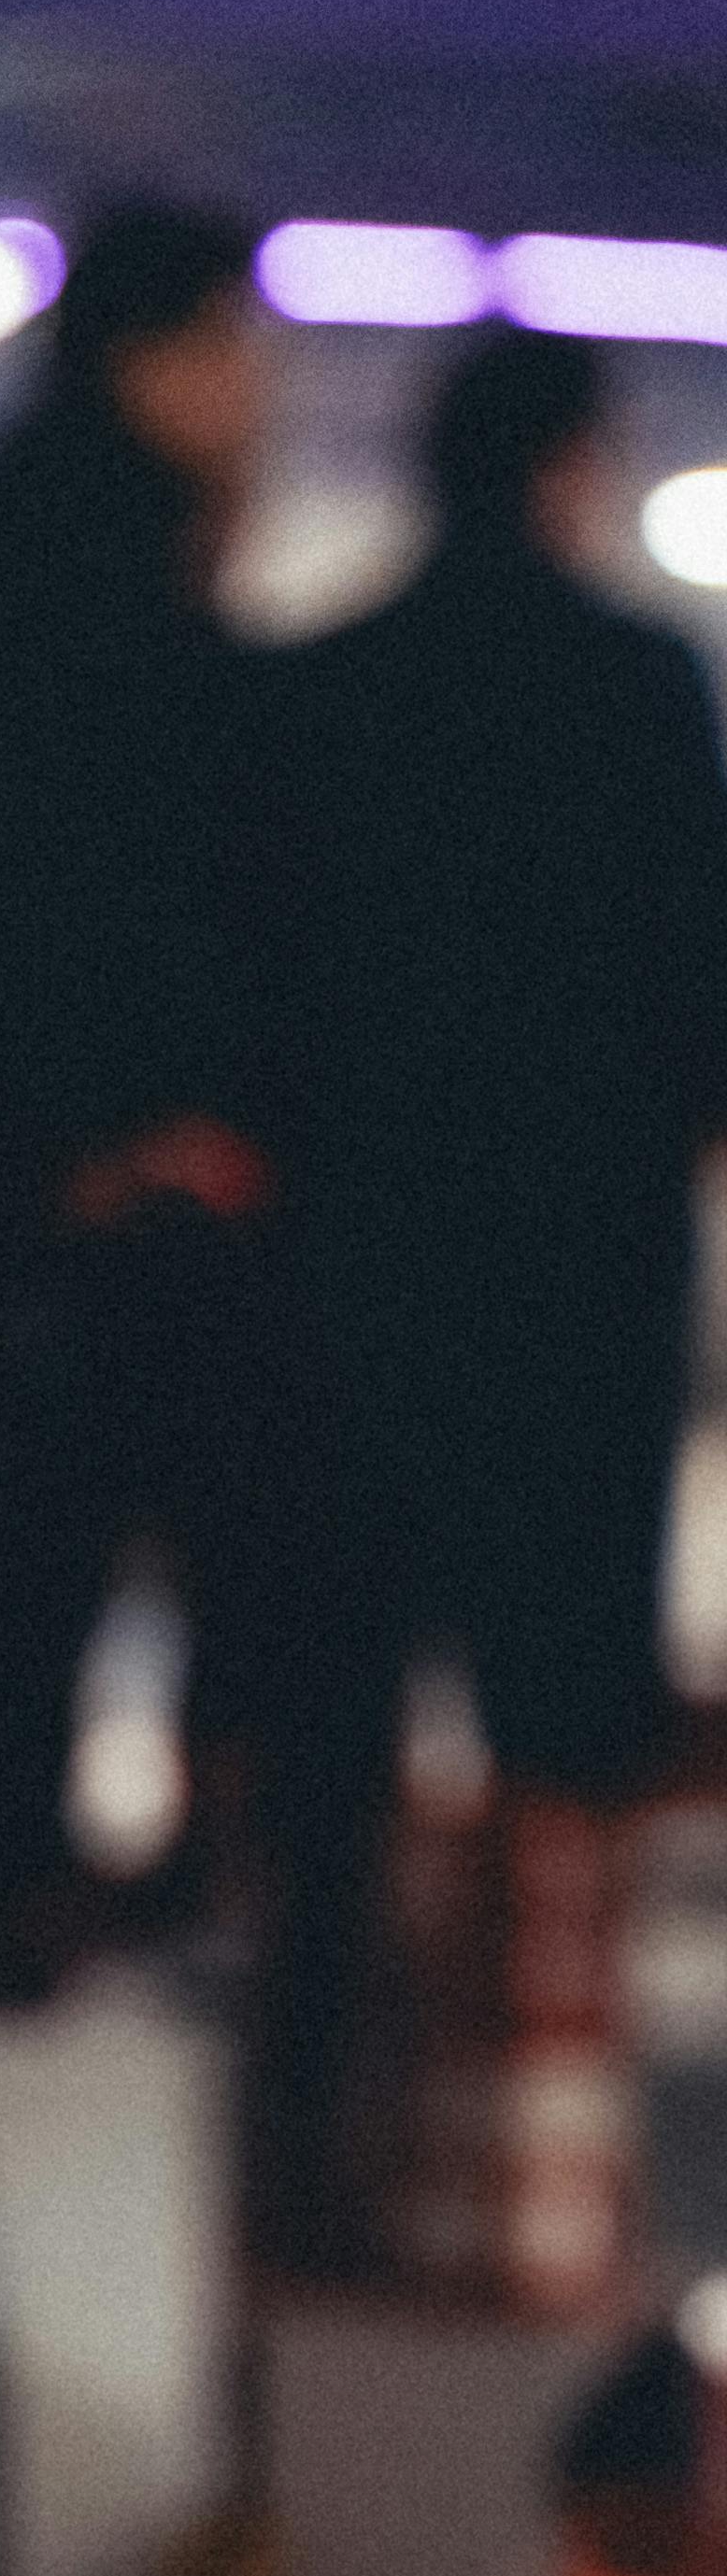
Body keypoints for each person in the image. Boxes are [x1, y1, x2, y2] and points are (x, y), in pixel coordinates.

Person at [0, 207, 391, 2196]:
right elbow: (130, 916)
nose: (257, 400)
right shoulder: (138, 632)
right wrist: (147, 1134)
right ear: (153, 366)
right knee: (240, 1633)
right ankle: (230, 2111)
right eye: (234, 355)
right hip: (108, 1222)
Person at [273, 326, 727, 1838]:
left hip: (362, 1236)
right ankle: (545, 2025)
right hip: (583, 1246)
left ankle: (333, 2020)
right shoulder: (639, 683)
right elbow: (694, 951)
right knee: (570, 1663)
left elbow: (276, 974)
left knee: (346, 1648)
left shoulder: (331, 684)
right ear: (570, 465)